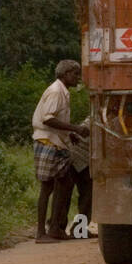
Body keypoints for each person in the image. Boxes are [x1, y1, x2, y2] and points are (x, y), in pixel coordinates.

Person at [31, 60, 87, 243]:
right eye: (74, 74)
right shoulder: (56, 91)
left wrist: (69, 133)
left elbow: (56, 120)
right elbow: (48, 119)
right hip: (48, 142)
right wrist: (76, 129)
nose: (77, 78)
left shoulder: (63, 91)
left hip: (56, 141)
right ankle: (41, 233)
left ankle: (55, 227)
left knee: (66, 181)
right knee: (47, 187)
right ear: (65, 74)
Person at [67, 115, 93, 238]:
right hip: (82, 158)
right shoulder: (98, 118)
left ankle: (76, 229)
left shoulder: (93, 117)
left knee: (82, 195)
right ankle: (79, 229)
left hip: (75, 156)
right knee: (87, 195)